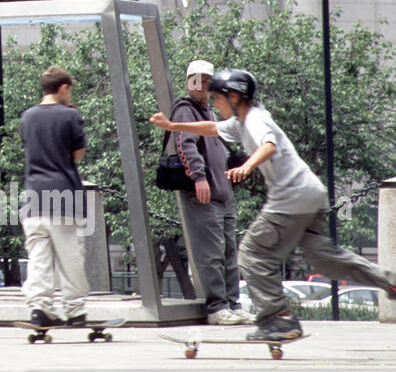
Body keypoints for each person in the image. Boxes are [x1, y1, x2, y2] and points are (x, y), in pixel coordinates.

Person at [150, 68, 396, 341]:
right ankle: (390, 281)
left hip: (289, 197)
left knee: (252, 253)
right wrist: (173, 126)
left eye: (217, 98)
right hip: (310, 193)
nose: (214, 104)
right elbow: (210, 128)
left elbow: (269, 145)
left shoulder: (255, 119)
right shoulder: (240, 121)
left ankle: (278, 319)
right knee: (324, 257)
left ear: (234, 96)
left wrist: (247, 165)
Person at [166, 60, 253, 326]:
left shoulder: (210, 112)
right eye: (198, 80)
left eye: (207, 80)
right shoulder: (186, 110)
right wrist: (199, 177)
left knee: (228, 251)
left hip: (222, 193)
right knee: (212, 253)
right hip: (204, 194)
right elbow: (185, 143)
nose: (203, 86)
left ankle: (232, 303)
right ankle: (217, 307)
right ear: (189, 82)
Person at [19, 66, 91, 328]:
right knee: (70, 254)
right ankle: (74, 310)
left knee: (39, 257)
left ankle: (40, 308)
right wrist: (70, 115)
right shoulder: (70, 115)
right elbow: (77, 155)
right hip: (63, 196)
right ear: (63, 88)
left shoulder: (27, 117)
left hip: (33, 198)